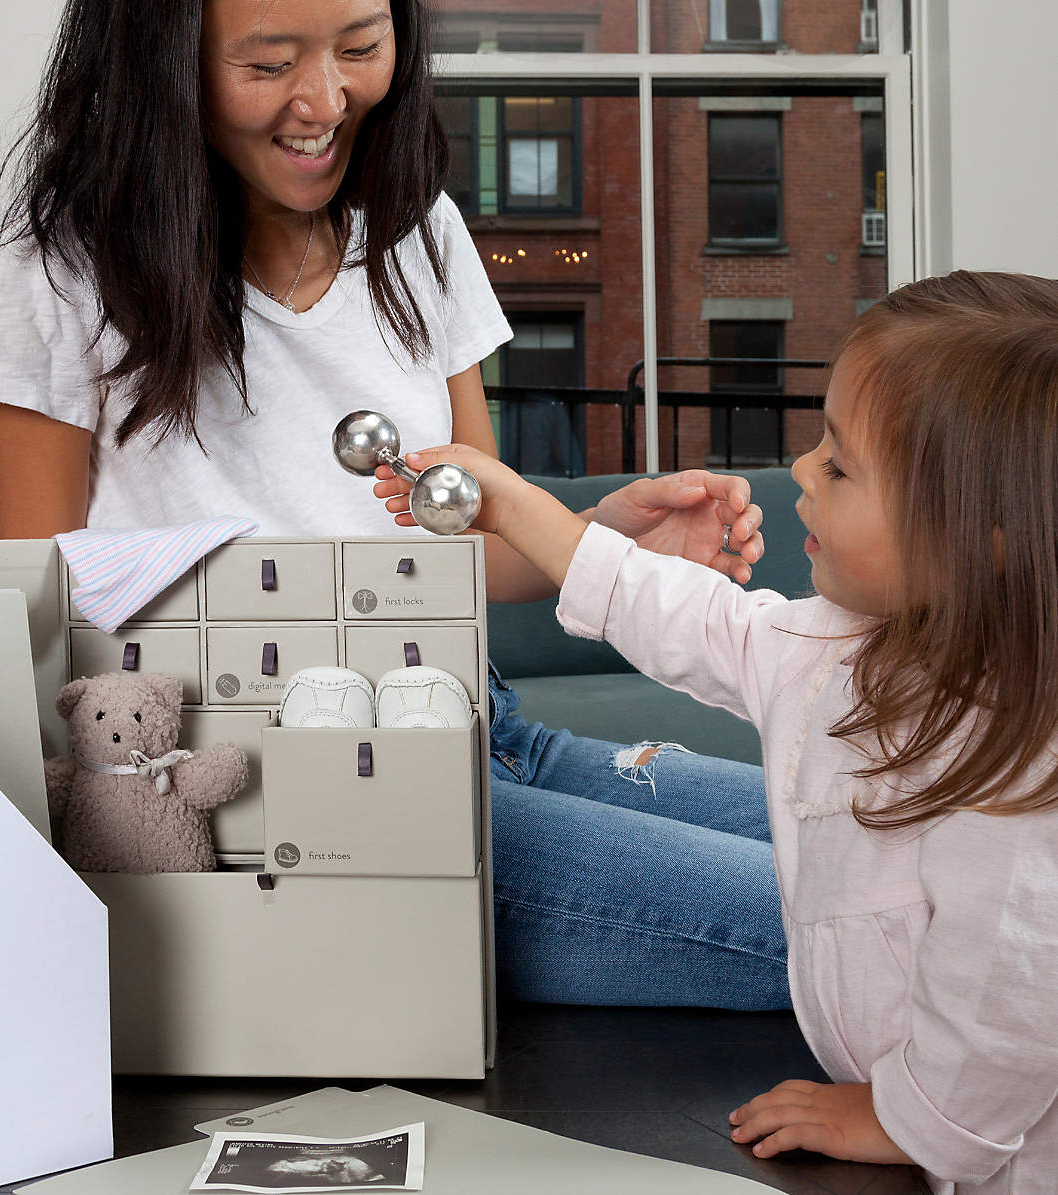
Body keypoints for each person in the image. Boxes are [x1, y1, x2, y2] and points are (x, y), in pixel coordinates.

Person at [0, 0, 789, 1009]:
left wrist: (600, 532)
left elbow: (463, 537)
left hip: (481, 723)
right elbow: (32, 614)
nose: (325, 101)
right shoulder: (61, 265)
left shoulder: (415, 231)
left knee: (875, 830)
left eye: (360, 48)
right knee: (818, 915)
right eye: (269, 64)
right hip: (291, 783)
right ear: (163, 65)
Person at [380, 270, 1058, 1190]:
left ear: (983, 539)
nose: (803, 471)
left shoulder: (1017, 768)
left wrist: (906, 1120)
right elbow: (692, 618)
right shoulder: (841, 646)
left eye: (840, 465)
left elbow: (1010, 996)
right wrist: (513, 508)